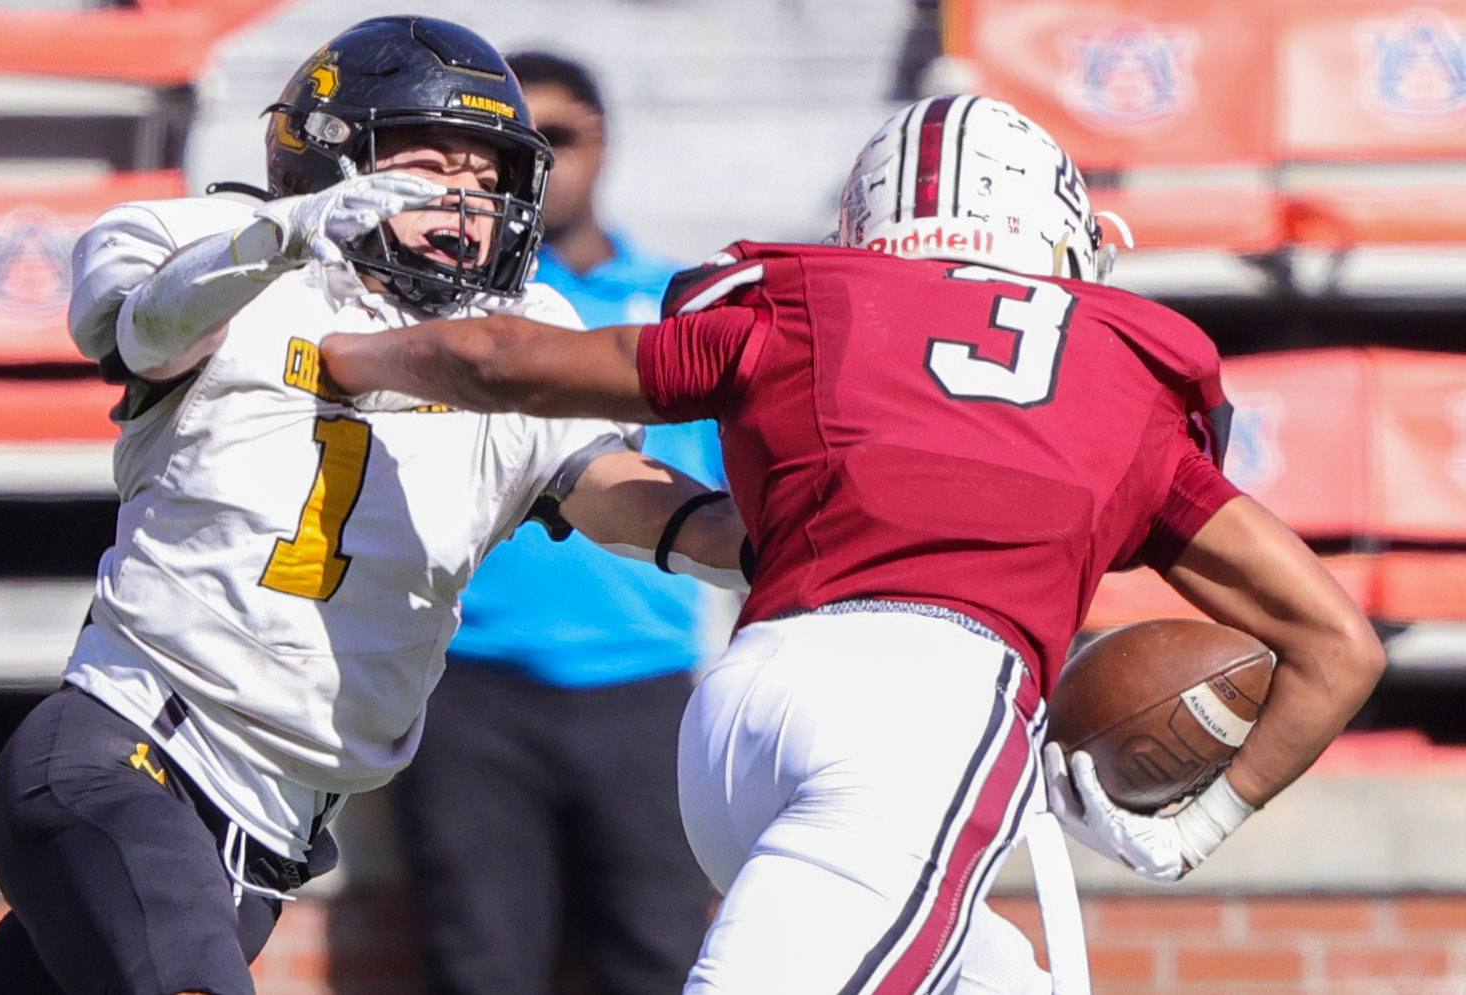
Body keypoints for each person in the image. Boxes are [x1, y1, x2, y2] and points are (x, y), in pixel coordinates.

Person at [319, 92, 1387, 994]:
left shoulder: (800, 307)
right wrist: (1186, 831)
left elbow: (505, 360)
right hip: (923, 713)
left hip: (737, 718)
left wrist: (335, 351)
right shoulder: (1116, 379)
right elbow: (1338, 644)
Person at [0, 17, 745, 995]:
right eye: (426, 166)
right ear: (330, 158)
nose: (463, 198)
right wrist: (280, 236)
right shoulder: (212, 249)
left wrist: (772, 544)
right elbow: (144, 330)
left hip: (264, 839)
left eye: (487, 175)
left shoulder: (520, 328)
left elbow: (618, 494)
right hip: (128, 755)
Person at [388, 51, 718, 995]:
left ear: (604, 144)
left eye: (558, 138)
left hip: (647, 687)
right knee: (477, 969)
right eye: (513, 146)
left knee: (661, 962)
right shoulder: (435, 309)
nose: (542, 163)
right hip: (466, 688)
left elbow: (741, 496)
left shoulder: (681, 308)